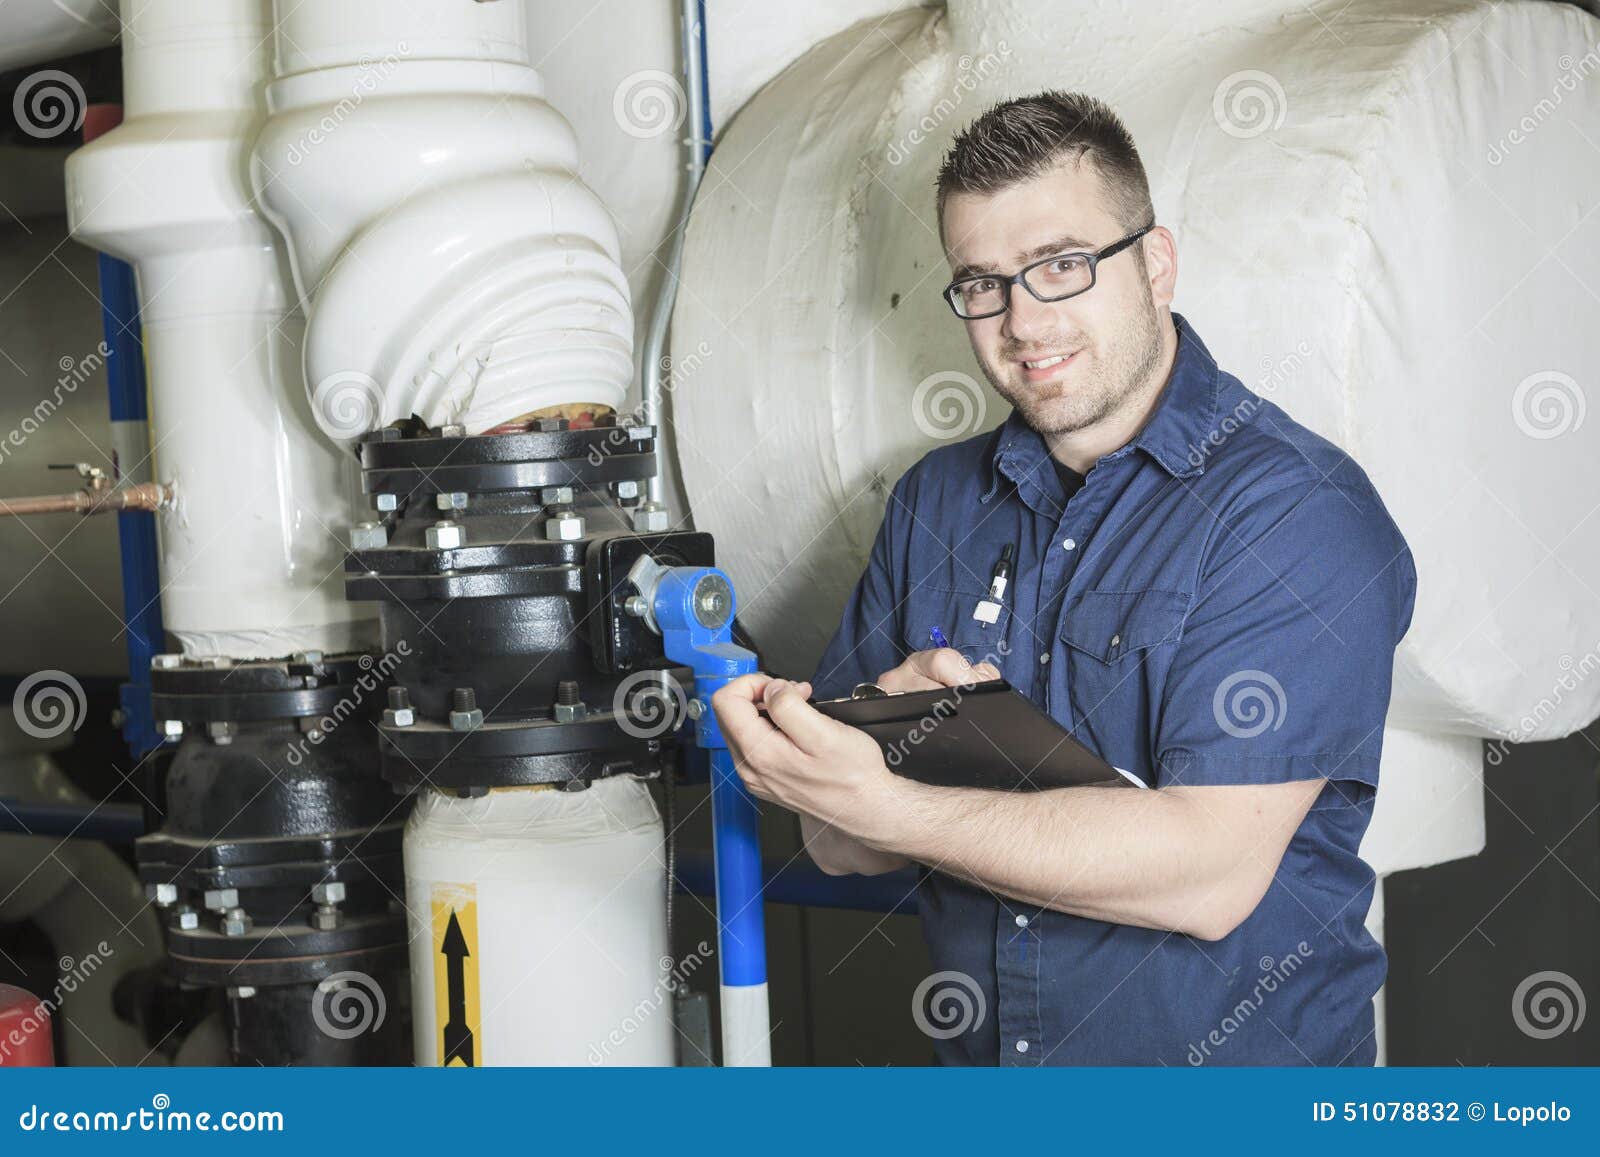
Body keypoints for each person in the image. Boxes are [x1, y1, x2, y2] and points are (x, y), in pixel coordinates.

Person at [711, 91, 1416, 1066]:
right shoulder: (935, 504)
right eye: (982, 282)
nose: (1023, 320)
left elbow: (1205, 875)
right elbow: (837, 844)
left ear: (1154, 265)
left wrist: (891, 795)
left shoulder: (1293, 513)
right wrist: (861, 743)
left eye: (1060, 266)